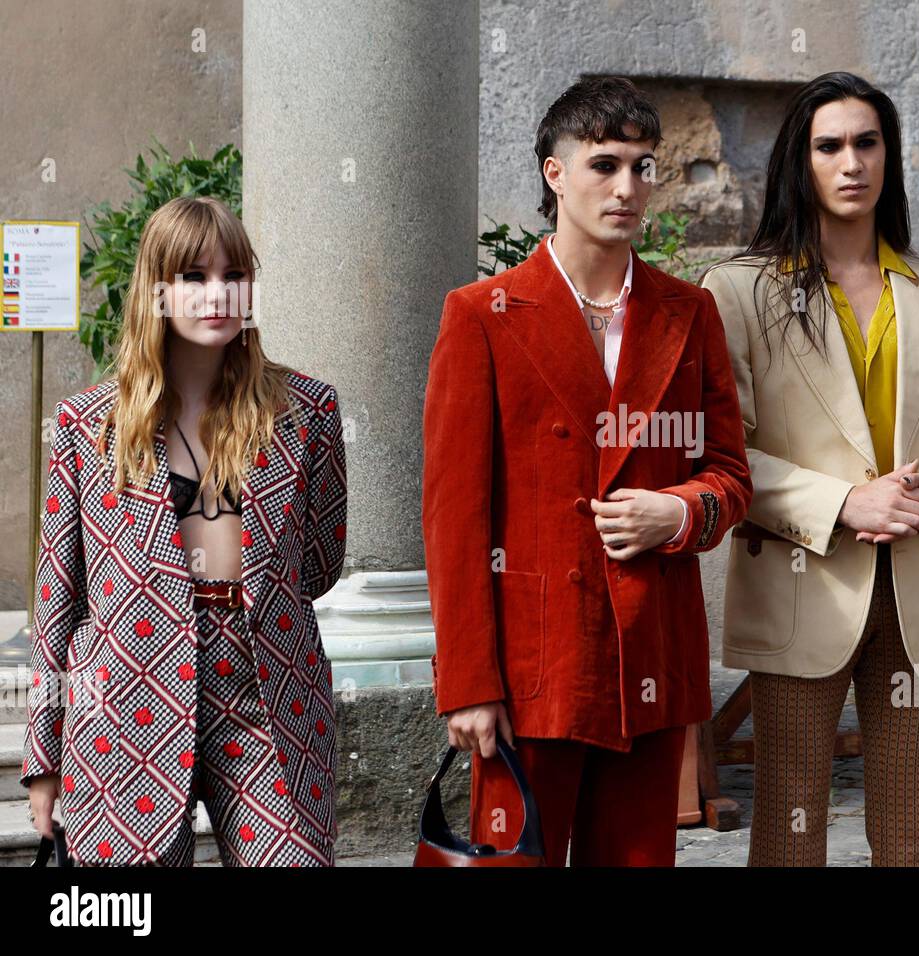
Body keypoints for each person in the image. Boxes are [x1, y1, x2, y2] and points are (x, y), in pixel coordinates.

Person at [422, 76, 752, 867]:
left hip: (651, 652)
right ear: (554, 173)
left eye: (643, 167)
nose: (628, 187)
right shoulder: (482, 314)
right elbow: (453, 516)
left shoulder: (688, 311)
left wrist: (680, 513)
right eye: (605, 165)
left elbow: (730, 474)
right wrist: (467, 681)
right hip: (534, 664)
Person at [702, 71, 919, 866]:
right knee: (791, 835)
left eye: (868, 143)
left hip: (917, 598)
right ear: (802, 161)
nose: (852, 161)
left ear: (889, 157)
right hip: (801, 586)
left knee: (911, 839)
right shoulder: (739, 290)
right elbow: (722, 453)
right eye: (829, 145)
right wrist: (843, 502)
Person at [21, 196, 348, 866]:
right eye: (194, 277)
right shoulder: (87, 428)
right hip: (124, 696)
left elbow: (318, 565)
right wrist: (43, 758)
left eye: (234, 276)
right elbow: (57, 604)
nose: (217, 294)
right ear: (157, 289)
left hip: (266, 688)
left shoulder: (307, 412)